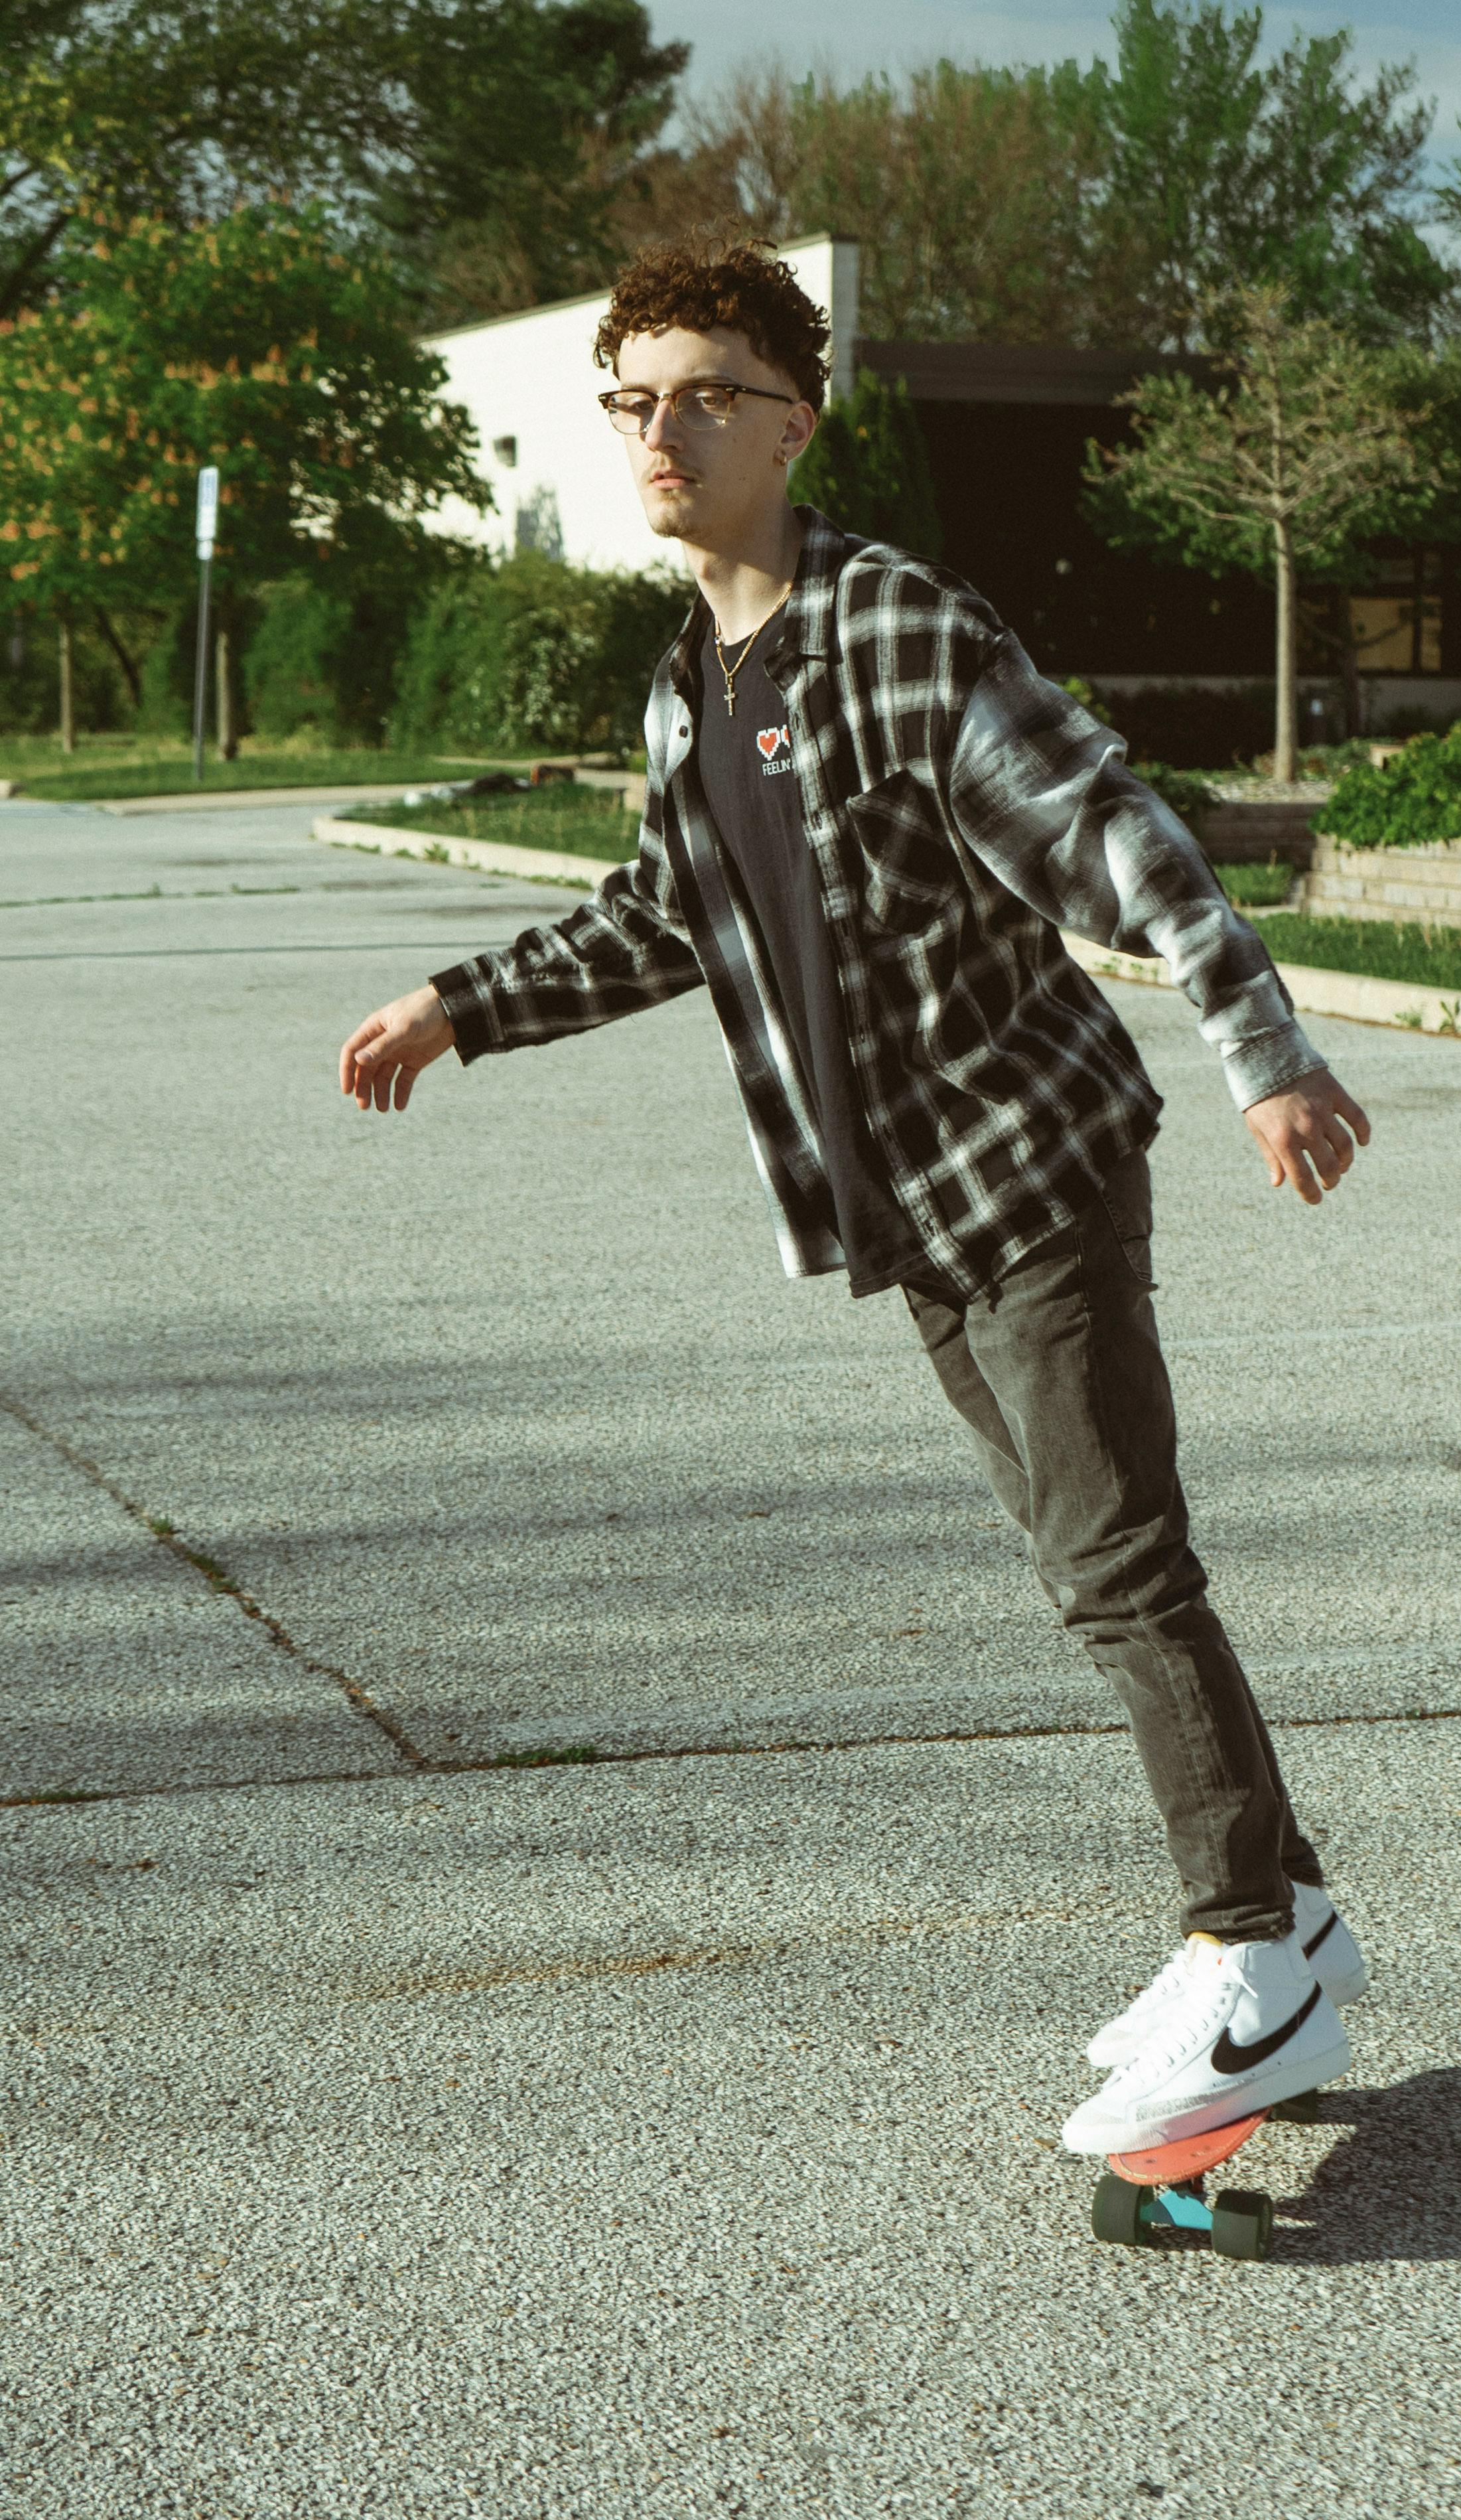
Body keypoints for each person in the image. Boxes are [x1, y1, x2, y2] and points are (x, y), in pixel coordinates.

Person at [338, 241, 1373, 2156]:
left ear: (794, 423)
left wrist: (1267, 1054)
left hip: (1033, 1162)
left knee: (1122, 1564)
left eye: (707, 394)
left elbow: (1113, 828)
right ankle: (1282, 1908)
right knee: (1090, 1571)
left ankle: (1254, 1946)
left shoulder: (888, 623)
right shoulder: (687, 689)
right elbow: (664, 917)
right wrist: (459, 1008)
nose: (665, 430)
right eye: (634, 399)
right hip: (907, 1210)